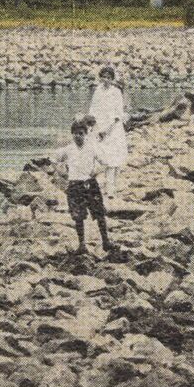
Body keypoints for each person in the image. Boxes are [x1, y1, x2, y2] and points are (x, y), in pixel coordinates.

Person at [49, 117, 112, 255]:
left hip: (90, 184)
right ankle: (82, 244)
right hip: (74, 185)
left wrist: (96, 171)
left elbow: (106, 162)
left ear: (85, 134)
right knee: (78, 216)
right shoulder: (68, 149)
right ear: (72, 134)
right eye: (75, 133)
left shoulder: (92, 148)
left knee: (99, 213)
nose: (78, 136)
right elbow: (53, 159)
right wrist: (61, 172)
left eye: (81, 133)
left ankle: (106, 241)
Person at [87, 65, 130, 196]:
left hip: (113, 128)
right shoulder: (97, 91)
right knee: (99, 155)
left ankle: (111, 187)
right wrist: (93, 125)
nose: (106, 80)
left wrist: (107, 130)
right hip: (98, 126)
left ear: (112, 79)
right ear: (100, 78)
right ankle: (98, 186)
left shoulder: (116, 92)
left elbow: (118, 113)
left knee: (113, 157)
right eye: (104, 77)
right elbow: (92, 109)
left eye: (108, 78)